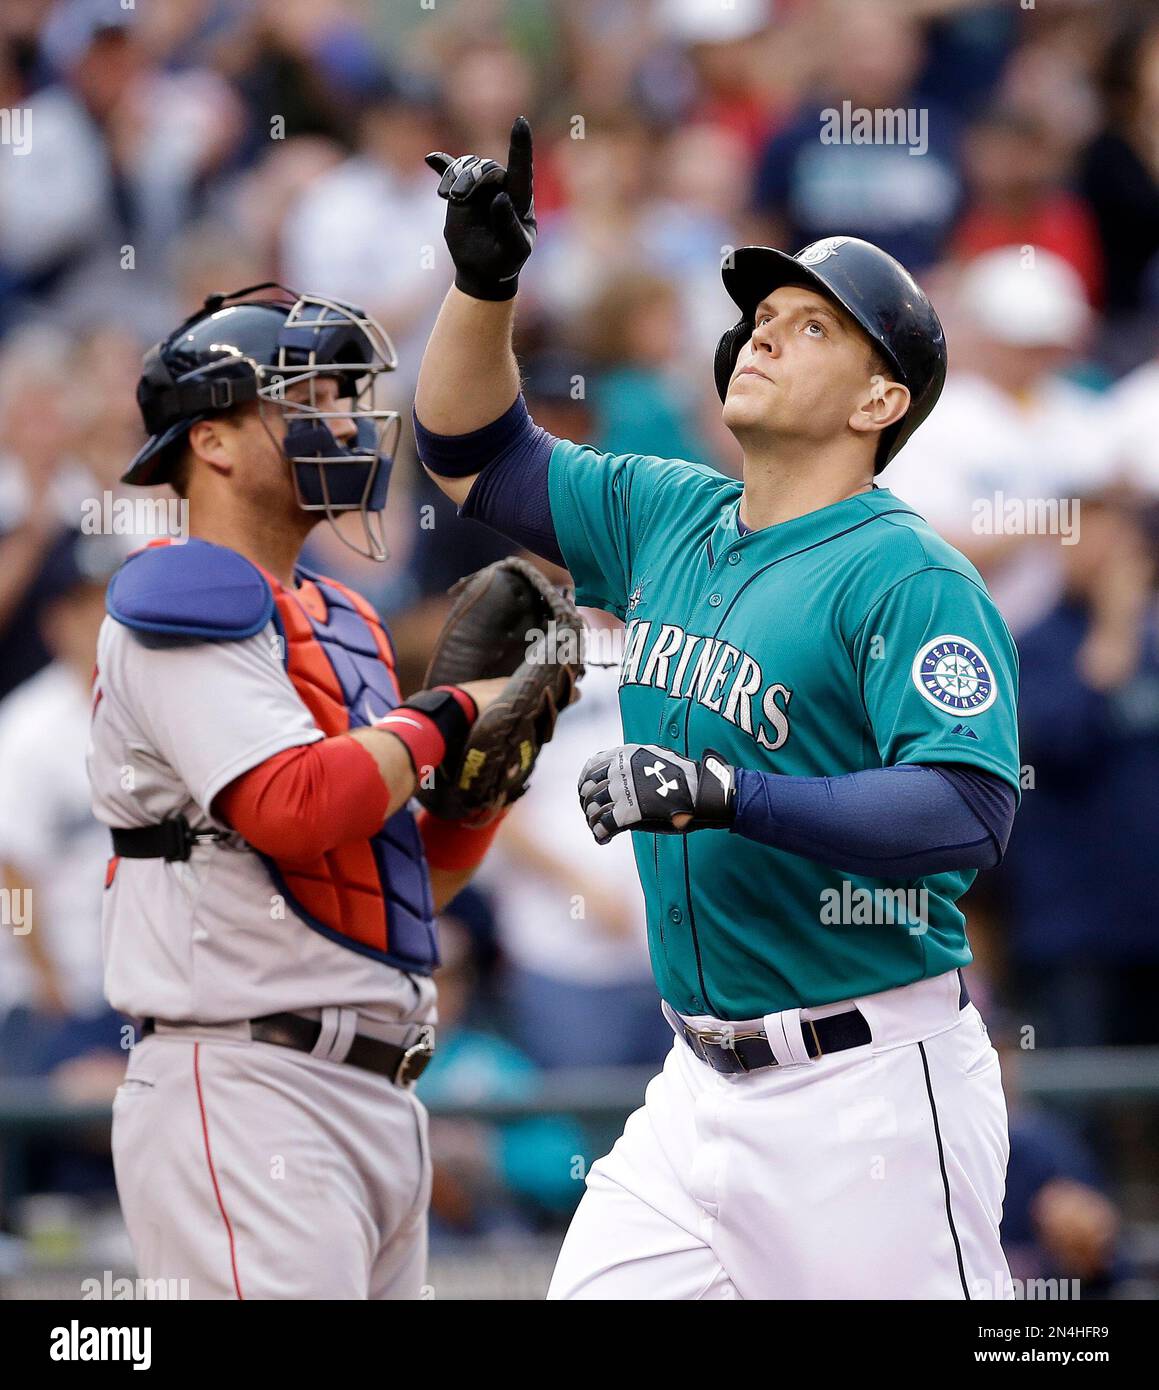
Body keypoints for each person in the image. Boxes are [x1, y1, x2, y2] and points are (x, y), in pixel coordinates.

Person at [415, 119, 1020, 1300]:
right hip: (694, 1085)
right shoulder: (668, 511)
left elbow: (968, 807)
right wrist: (484, 283)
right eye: (761, 317)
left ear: (878, 400)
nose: (761, 336)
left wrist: (733, 795)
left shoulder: (909, 575)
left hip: (869, 1091)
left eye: (811, 328)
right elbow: (471, 450)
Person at [87, 286, 522, 1299]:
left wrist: (477, 792)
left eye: (343, 393)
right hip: (246, 1086)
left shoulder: (344, 620)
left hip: (378, 1089)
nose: (341, 418)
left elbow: (400, 884)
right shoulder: (175, 594)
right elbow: (290, 806)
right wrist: (451, 712)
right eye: (306, 396)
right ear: (215, 441)